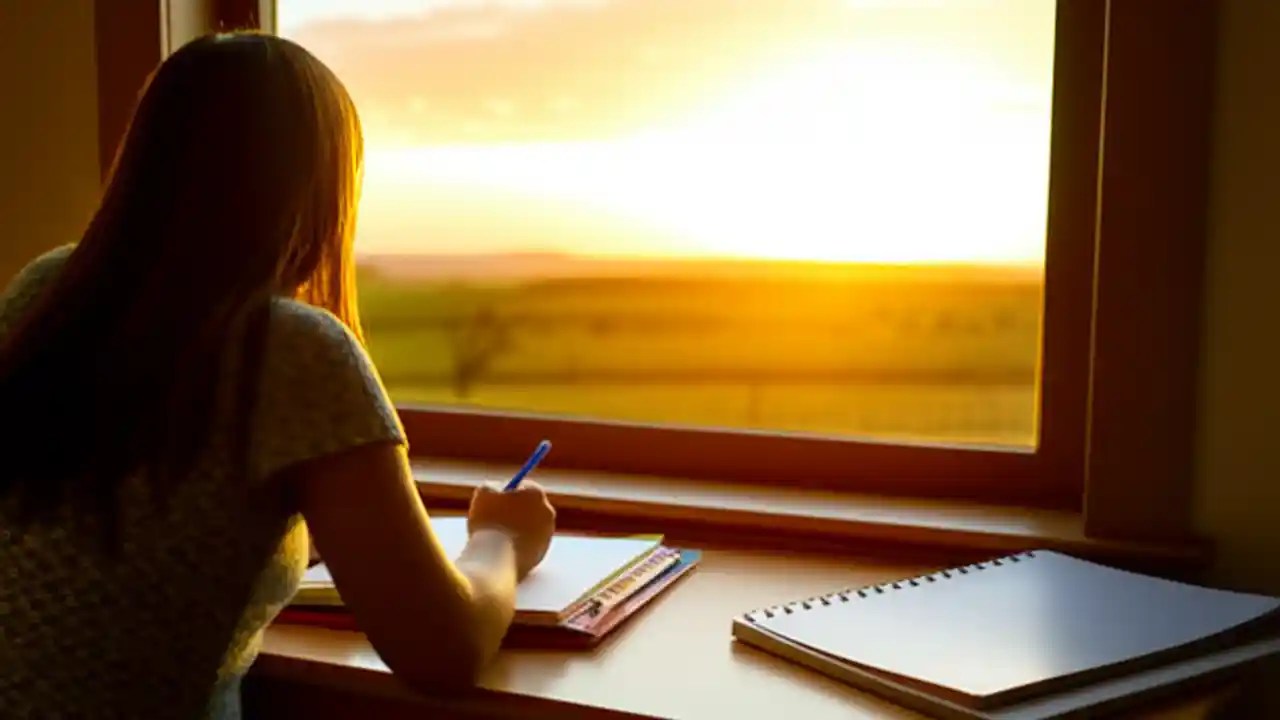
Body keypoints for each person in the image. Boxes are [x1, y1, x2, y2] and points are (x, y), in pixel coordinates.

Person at [0, 31, 556, 719]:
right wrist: (501, 539)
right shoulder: (290, 348)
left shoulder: (50, 292)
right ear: (319, 190)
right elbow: (443, 652)